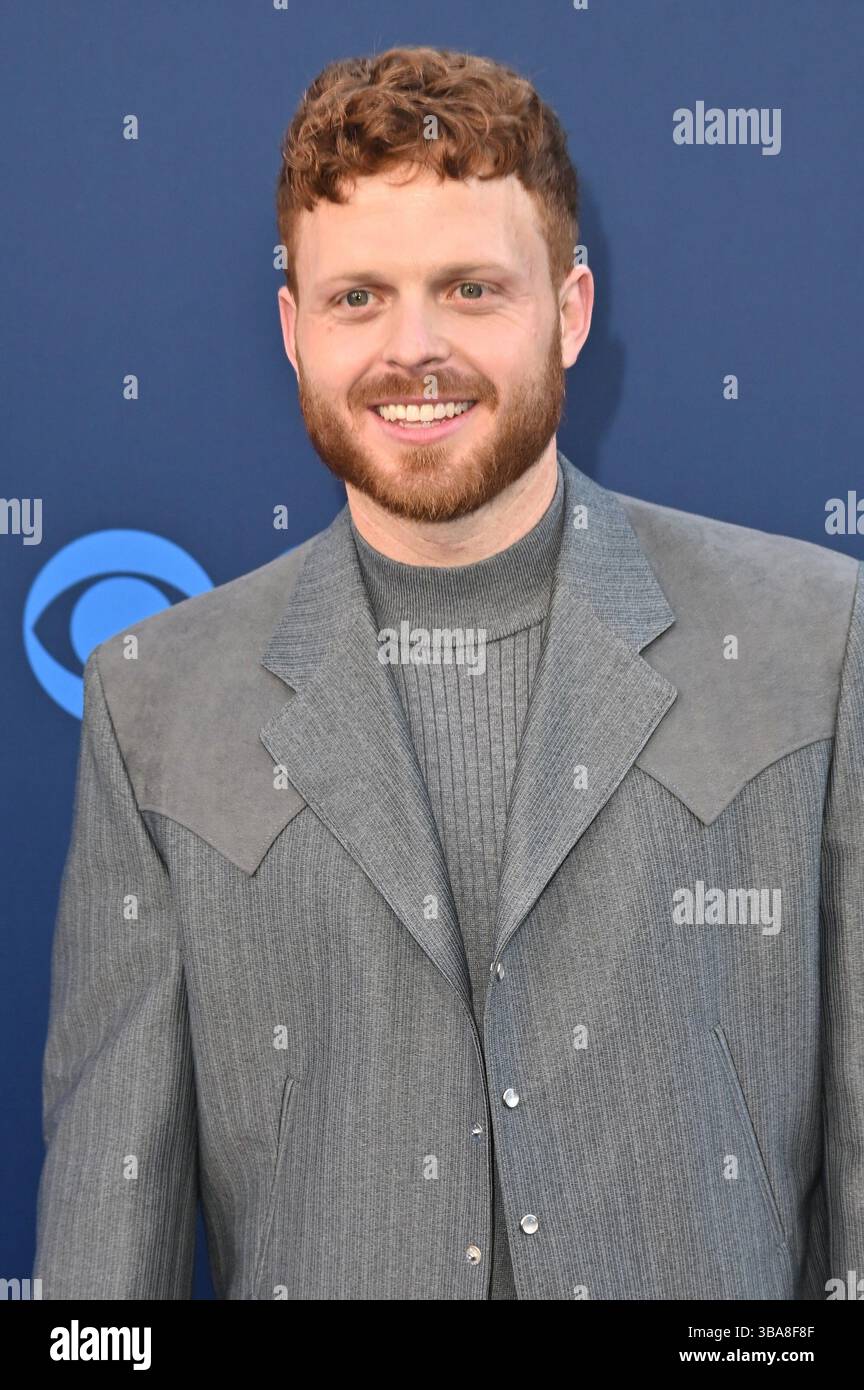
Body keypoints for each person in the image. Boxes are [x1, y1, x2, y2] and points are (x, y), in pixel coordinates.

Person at [34, 45, 863, 1300]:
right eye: (358, 297)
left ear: (571, 311)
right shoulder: (156, 700)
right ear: (294, 329)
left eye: (471, 289)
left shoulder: (814, 641)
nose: (413, 350)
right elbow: (108, 1252)